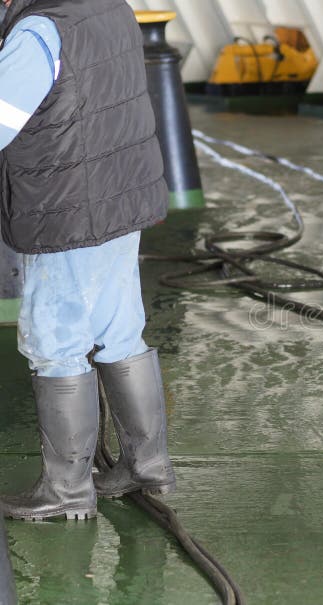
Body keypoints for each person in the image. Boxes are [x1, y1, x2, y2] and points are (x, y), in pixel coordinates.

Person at [0, 0, 176, 521]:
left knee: (54, 341)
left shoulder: (38, 30)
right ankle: (147, 463)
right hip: (119, 194)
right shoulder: (109, 7)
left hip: (68, 207)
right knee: (119, 327)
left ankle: (67, 490)